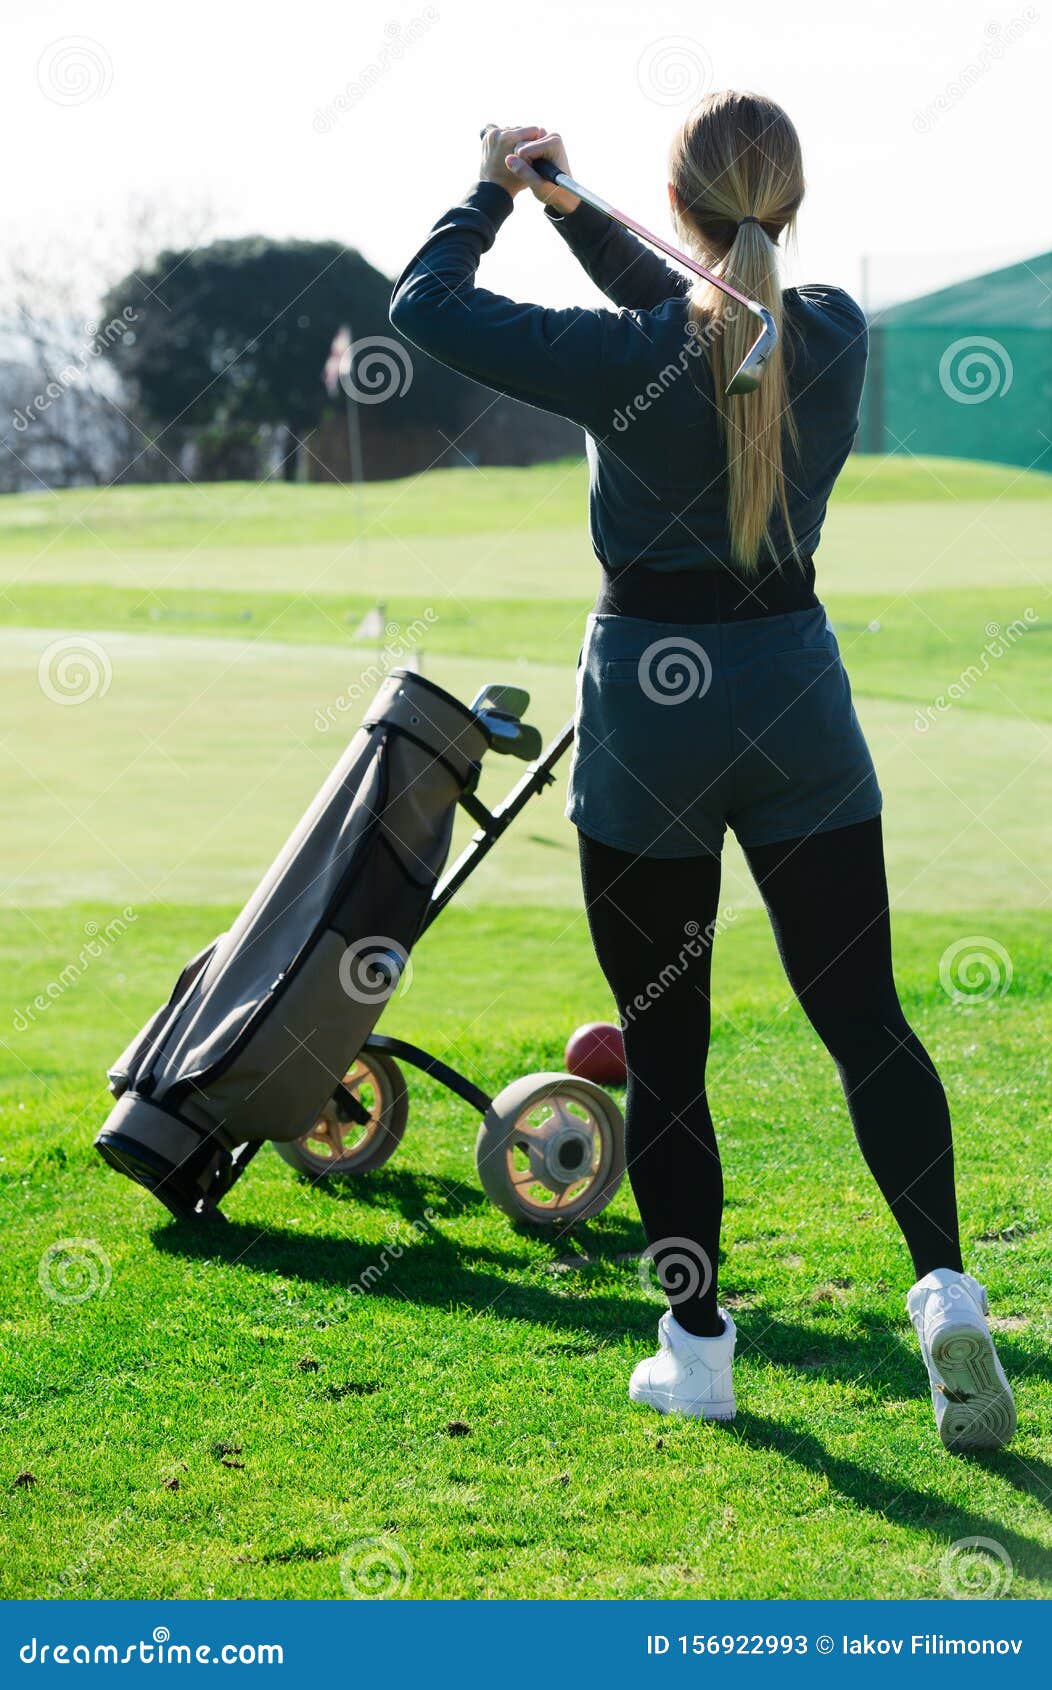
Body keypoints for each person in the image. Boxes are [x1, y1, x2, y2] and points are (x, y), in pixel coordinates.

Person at [389, 93, 1016, 1451]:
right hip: (796, 695)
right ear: (792, 201)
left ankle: (699, 1348)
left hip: (650, 710)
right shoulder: (833, 330)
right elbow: (717, 318)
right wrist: (577, 212)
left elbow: (423, 307)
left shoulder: (619, 358)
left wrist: (493, 192)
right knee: (866, 1019)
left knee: (666, 1051)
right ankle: (945, 1289)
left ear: (676, 210)